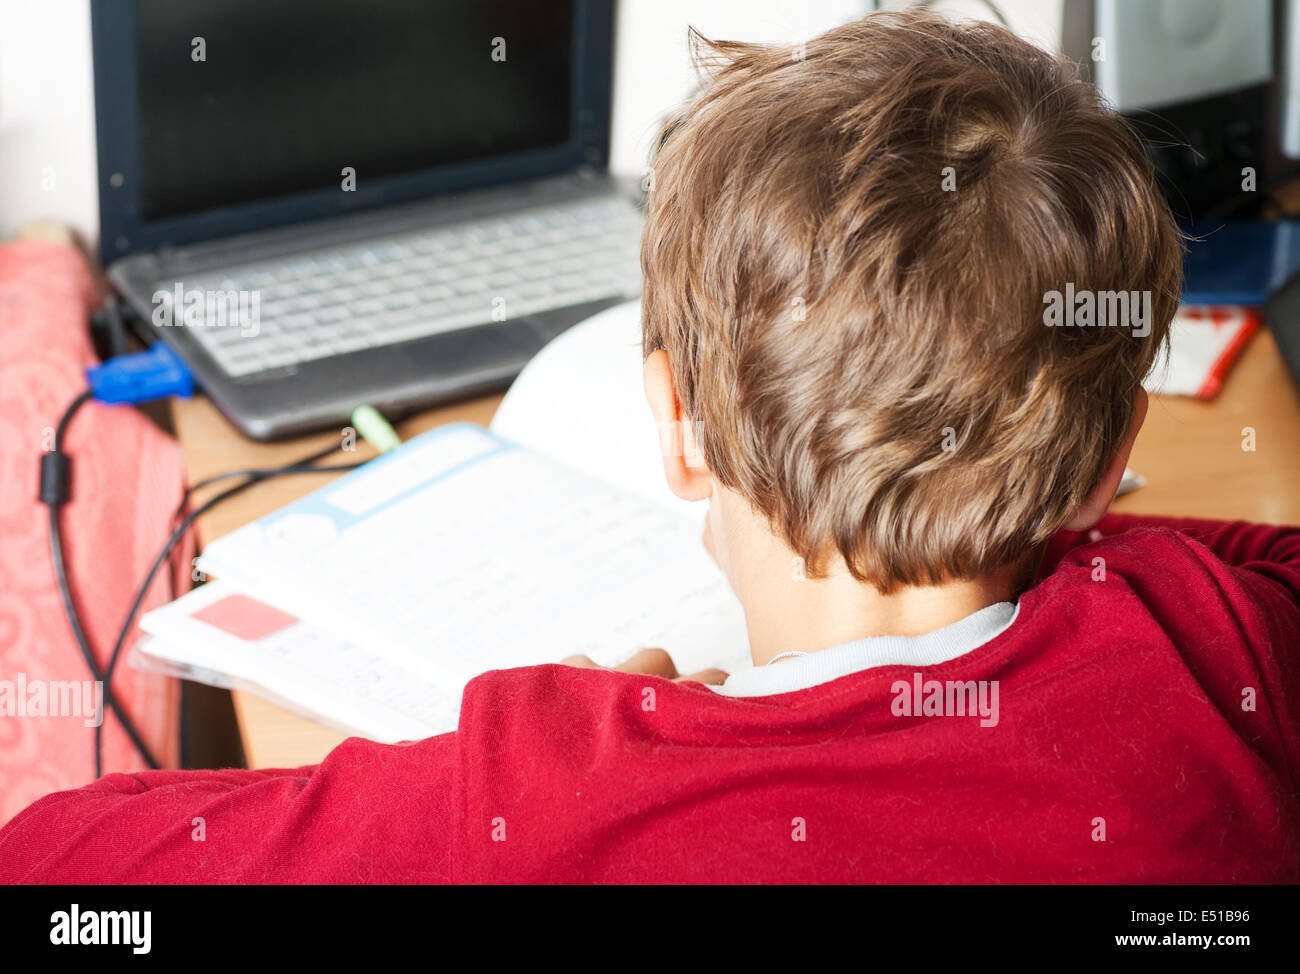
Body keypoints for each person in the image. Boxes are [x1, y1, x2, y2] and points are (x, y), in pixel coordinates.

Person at [3, 10, 1298, 884]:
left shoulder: (560, 790)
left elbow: (59, 859)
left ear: (677, 421)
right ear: (1116, 451)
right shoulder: (1216, 637)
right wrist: (1068, 518)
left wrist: (541, 743)